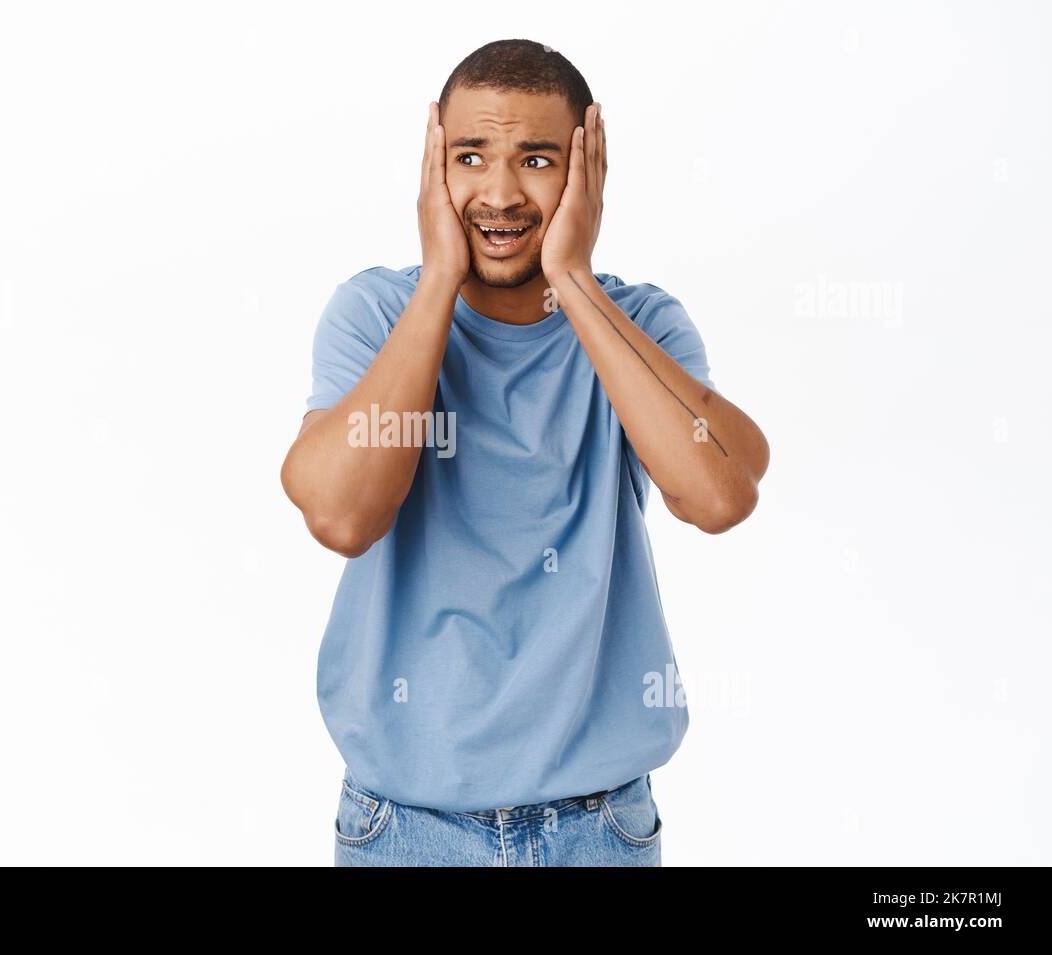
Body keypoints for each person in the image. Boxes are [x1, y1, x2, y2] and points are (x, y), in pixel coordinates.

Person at [280, 39, 770, 866]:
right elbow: (342, 516)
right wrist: (439, 279)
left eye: (537, 160)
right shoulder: (375, 313)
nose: (501, 193)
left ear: (587, 175)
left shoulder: (642, 324)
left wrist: (572, 280)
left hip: (601, 828)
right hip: (404, 828)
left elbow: (720, 495)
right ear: (434, 165)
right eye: (470, 157)